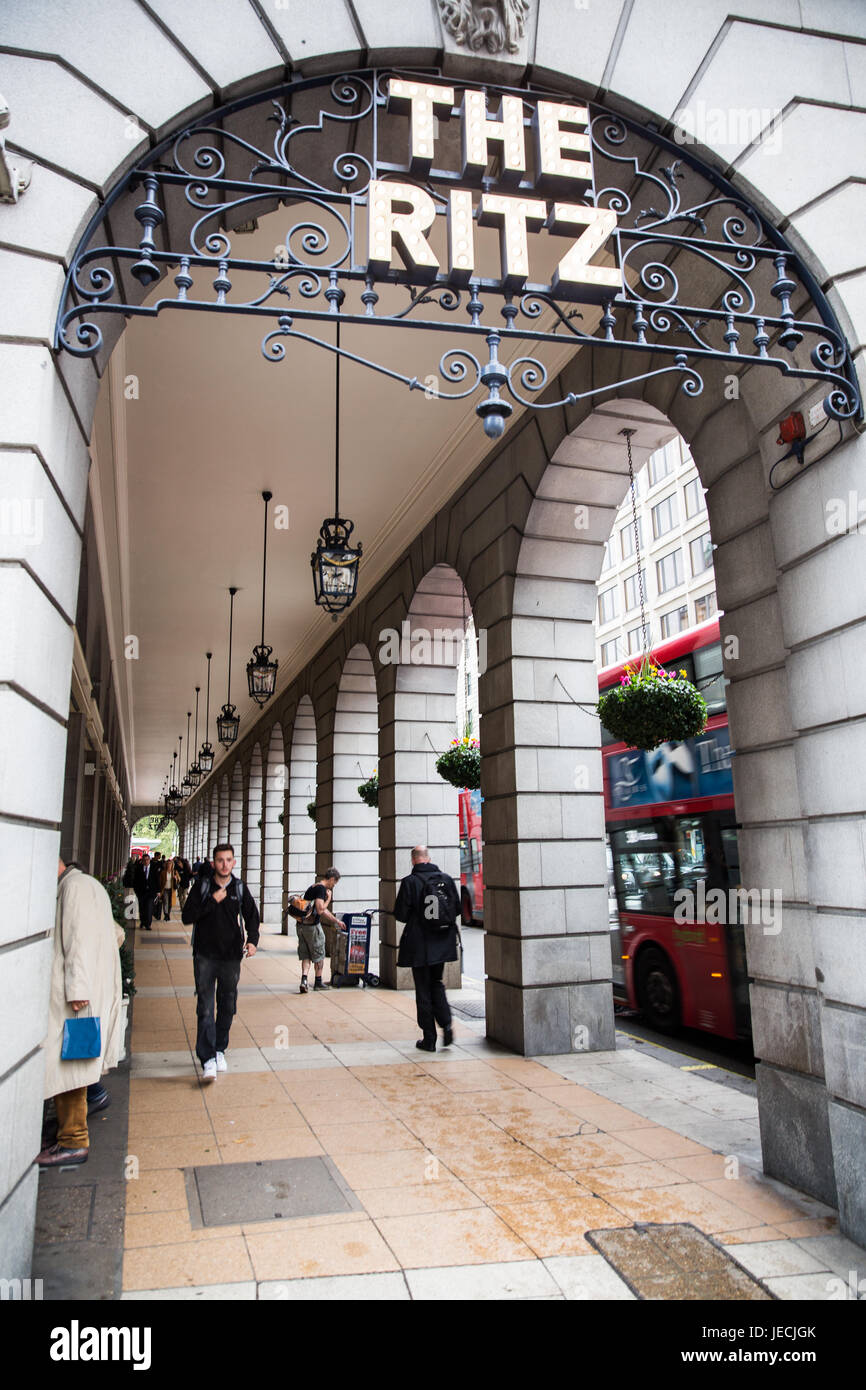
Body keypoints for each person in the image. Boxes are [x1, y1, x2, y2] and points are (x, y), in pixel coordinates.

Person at [35, 858, 123, 1166]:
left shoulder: (72, 889)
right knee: (78, 1058)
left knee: (68, 1063)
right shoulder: (89, 886)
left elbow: (77, 942)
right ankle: (82, 1110)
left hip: (78, 999)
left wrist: (78, 989)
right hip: (90, 992)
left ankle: (73, 1140)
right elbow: (117, 933)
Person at [181, 843, 260, 1083]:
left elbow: (252, 915)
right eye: (220, 860)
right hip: (204, 955)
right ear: (213, 863)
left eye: (228, 860)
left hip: (230, 957)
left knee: (227, 1004)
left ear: (233, 862)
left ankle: (218, 1050)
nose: (224, 864)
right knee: (205, 1007)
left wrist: (253, 941)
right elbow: (187, 917)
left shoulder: (239, 887)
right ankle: (207, 1060)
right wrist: (212, 901)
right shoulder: (203, 887)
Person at [394, 845, 461, 1052]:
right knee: (437, 983)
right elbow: (456, 909)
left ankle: (429, 1038)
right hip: (441, 943)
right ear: (428, 858)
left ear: (413, 861)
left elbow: (401, 915)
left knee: (422, 989)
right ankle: (447, 1025)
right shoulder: (446, 879)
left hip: (419, 944)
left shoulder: (409, 882)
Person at [297, 868, 341, 994]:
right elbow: (321, 909)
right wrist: (328, 899)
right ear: (332, 879)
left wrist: (336, 921)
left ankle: (304, 980)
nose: (333, 886)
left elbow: (321, 910)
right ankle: (318, 981)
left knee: (306, 954)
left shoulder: (313, 887)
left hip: (301, 926)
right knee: (319, 953)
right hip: (312, 927)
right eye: (334, 883)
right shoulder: (321, 890)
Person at [132, 852, 156, 930]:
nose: (146, 861)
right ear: (142, 861)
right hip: (141, 892)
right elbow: (135, 881)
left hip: (150, 892)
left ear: (149, 860)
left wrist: (158, 891)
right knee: (142, 908)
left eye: (147, 860)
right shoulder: (138, 869)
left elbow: (157, 880)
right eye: (144, 860)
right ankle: (142, 921)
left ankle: (148, 924)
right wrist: (136, 891)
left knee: (149, 908)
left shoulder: (153, 868)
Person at [159, 854, 179, 922]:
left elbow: (179, 879)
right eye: (168, 865)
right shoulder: (163, 872)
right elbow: (160, 881)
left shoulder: (174, 872)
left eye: (170, 865)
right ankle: (166, 914)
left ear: (172, 865)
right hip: (165, 889)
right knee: (165, 902)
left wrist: (176, 878)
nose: (169, 866)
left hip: (172, 890)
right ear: (166, 865)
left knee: (170, 903)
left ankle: (168, 914)